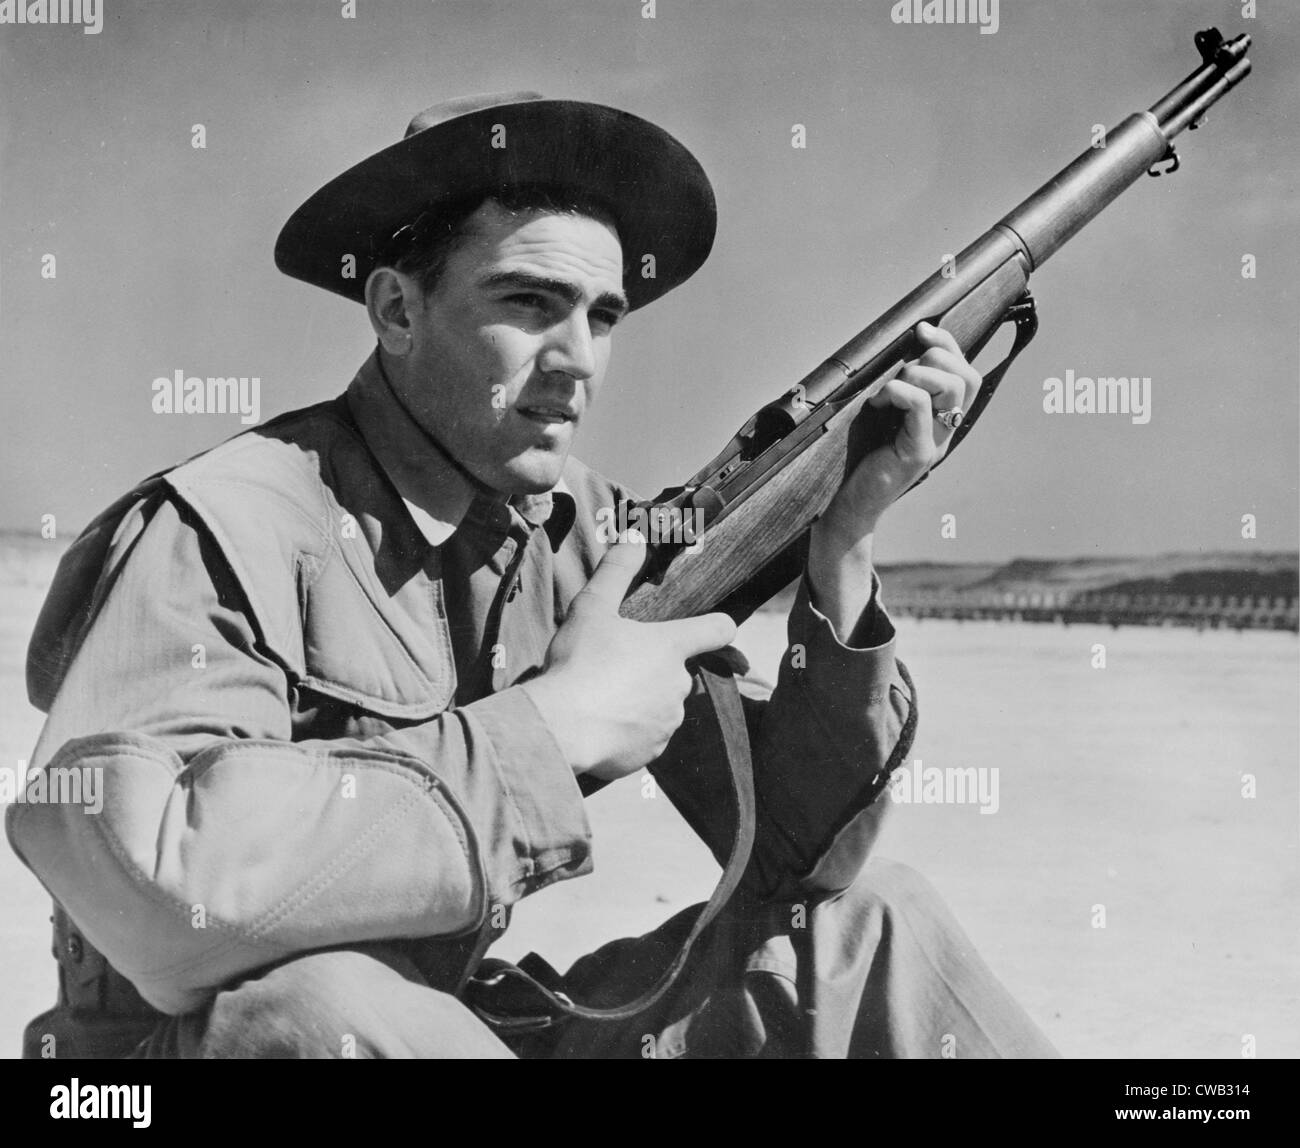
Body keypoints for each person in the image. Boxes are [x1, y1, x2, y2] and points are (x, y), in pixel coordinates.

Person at [7, 92, 1057, 1059]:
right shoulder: (222, 523)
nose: (578, 359)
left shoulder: (585, 534)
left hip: (445, 1025)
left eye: (601, 315)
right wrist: (551, 730)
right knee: (321, 1005)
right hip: (169, 1063)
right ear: (396, 310)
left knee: (872, 928)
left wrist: (841, 546)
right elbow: (156, 900)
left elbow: (798, 858)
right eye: (529, 302)